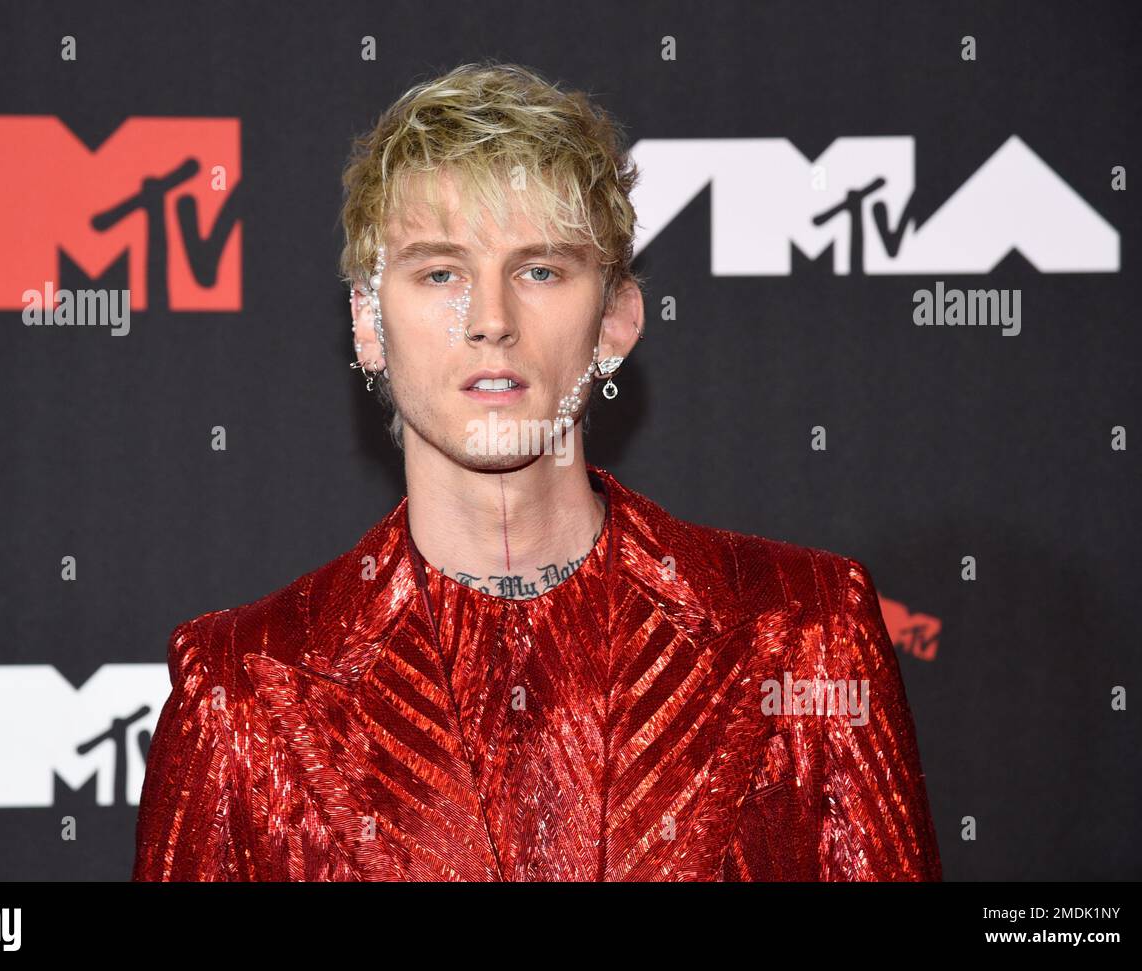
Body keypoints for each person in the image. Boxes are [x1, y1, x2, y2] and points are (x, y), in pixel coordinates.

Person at [132, 61, 942, 881]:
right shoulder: (242, 686)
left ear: (617, 320)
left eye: (540, 270)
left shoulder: (806, 633)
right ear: (368, 324)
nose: (491, 320)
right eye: (441, 272)